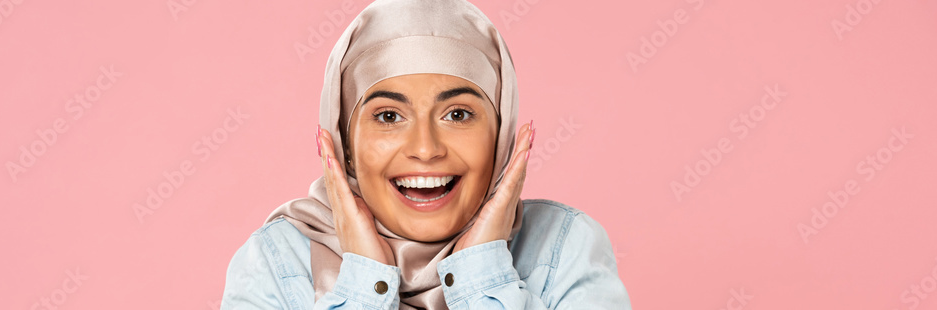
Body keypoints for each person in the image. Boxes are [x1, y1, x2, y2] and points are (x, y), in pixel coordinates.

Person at [221, 0, 631, 309]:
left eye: (457, 114)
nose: (425, 149)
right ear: (345, 143)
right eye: (388, 115)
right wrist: (366, 278)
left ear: (500, 137)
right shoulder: (274, 263)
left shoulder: (564, 248)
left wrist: (481, 269)